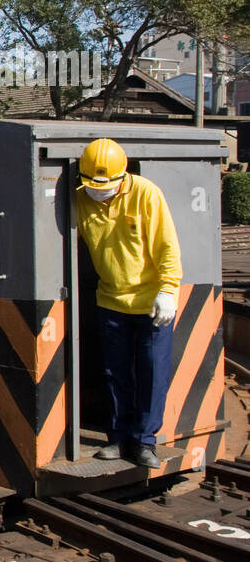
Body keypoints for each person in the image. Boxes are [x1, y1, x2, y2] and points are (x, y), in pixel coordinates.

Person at [76, 138, 181, 469]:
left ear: (123, 176)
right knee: (114, 373)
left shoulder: (146, 193)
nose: (98, 190)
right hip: (110, 301)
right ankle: (118, 438)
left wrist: (168, 290)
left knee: (152, 375)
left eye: (105, 185)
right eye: (92, 184)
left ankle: (145, 441)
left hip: (151, 304)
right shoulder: (80, 199)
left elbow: (166, 245)